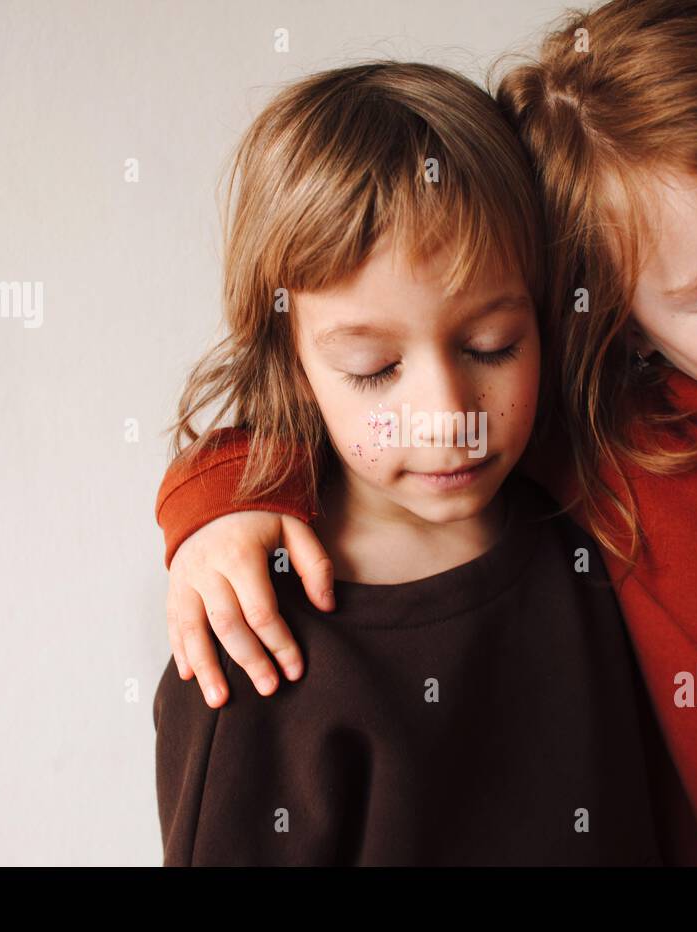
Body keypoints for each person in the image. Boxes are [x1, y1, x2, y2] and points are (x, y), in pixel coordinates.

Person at [153, 61, 660, 865]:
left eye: (491, 346)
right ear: (292, 363)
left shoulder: (591, 506)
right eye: (373, 369)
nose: (449, 417)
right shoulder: (255, 647)